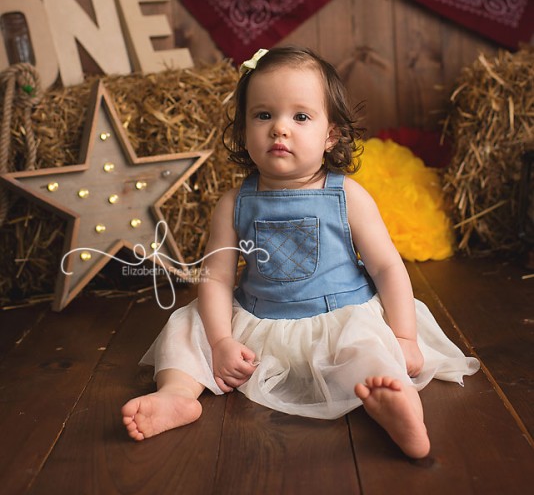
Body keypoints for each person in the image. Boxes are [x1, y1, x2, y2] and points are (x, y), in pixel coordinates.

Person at [121, 46, 479, 458]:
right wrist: (220, 340)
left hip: (339, 319)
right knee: (188, 326)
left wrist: (404, 336)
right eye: (263, 115)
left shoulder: (348, 196)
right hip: (257, 325)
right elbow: (217, 277)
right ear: (242, 132)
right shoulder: (233, 203)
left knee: (372, 352)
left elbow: (386, 268)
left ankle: (400, 410)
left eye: (301, 116)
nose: (280, 129)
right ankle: (177, 395)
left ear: (331, 135)